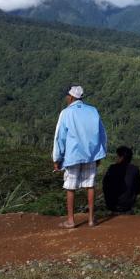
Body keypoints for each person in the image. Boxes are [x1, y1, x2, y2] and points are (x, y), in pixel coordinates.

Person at [52, 85, 107, 228]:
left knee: (71, 187)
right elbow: (102, 135)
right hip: (91, 154)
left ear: (70, 97)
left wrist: (57, 159)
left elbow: (60, 138)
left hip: (73, 155)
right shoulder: (93, 111)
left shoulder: (66, 113)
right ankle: (90, 220)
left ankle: (71, 220)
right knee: (90, 185)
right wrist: (100, 154)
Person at [102, 146, 140, 214]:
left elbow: (105, 184)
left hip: (112, 205)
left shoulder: (112, 168)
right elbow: (138, 188)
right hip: (128, 205)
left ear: (121, 157)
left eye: (117, 156)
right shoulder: (135, 169)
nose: (116, 158)